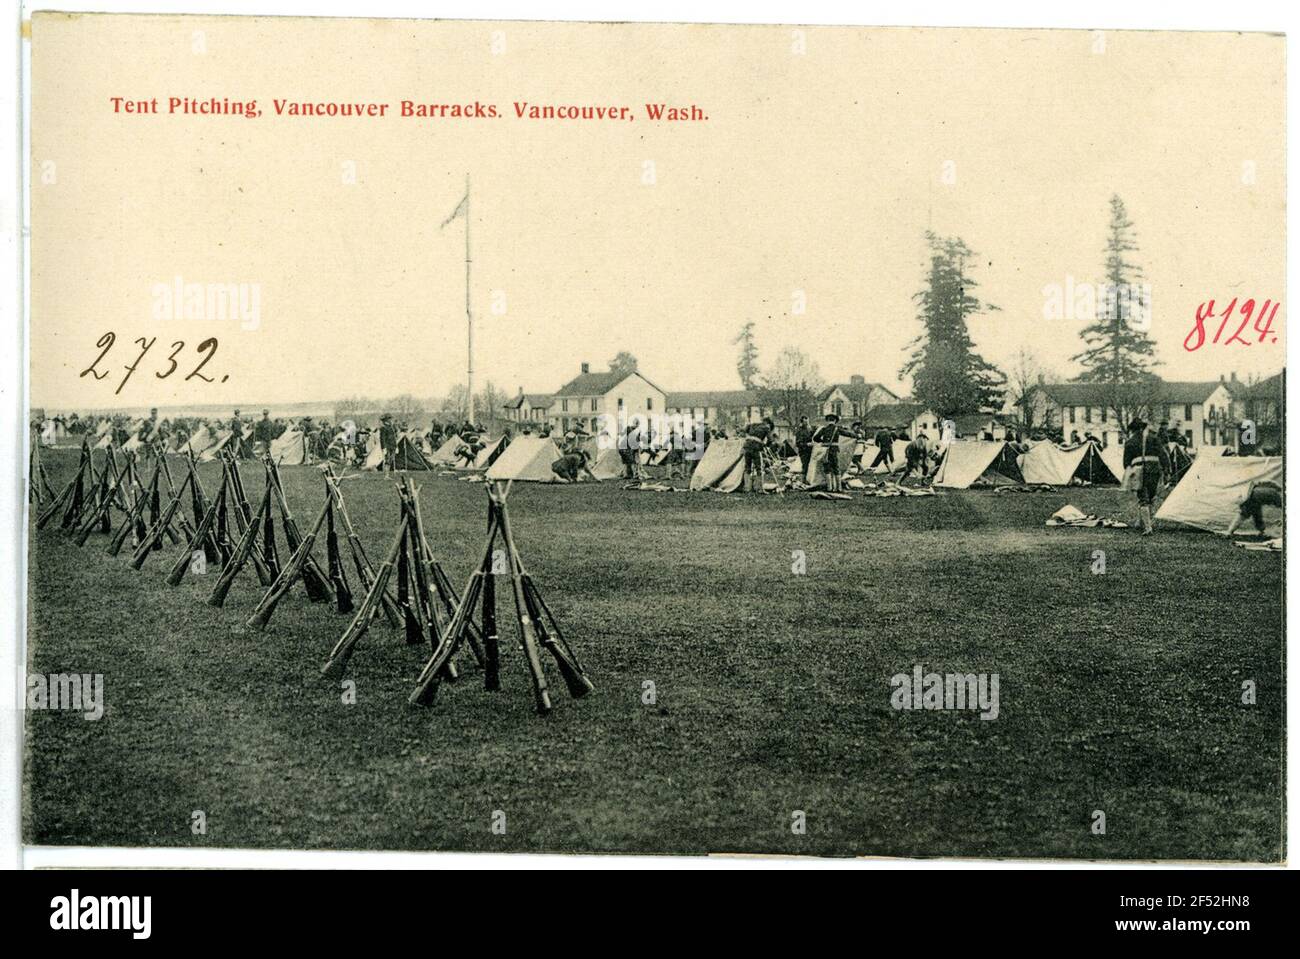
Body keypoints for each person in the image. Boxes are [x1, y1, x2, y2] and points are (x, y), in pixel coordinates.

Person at [1122, 417, 1171, 537]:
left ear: (1133, 430)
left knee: (1143, 498)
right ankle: (1141, 522)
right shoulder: (1154, 439)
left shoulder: (1130, 442)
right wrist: (1166, 470)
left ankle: (1147, 527)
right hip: (1154, 470)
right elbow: (1163, 455)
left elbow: (1126, 463)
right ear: (1143, 428)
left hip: (1139, 471)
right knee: (1151, 496)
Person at [810, 413, 854, 492]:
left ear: (828, 420)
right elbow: (847, 434)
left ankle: (829, 488)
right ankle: (838, 488)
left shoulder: (824, 429)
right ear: (835, 421)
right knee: (836, 468)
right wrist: (857, 436)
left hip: (825, 451)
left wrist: (823, 442)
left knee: (827, 468)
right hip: (834, 450)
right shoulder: (837, 429)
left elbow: (815, 438)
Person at [741, 416, 777, 493]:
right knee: (759, 468)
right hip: (756, 448)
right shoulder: (766, 427)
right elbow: (770, 439)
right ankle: (759, 488)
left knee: (747, 467)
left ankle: (747, 487)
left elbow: (744, 431)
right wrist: (765, 445)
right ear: (768, 423)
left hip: (746, 446)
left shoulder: (752, 424)